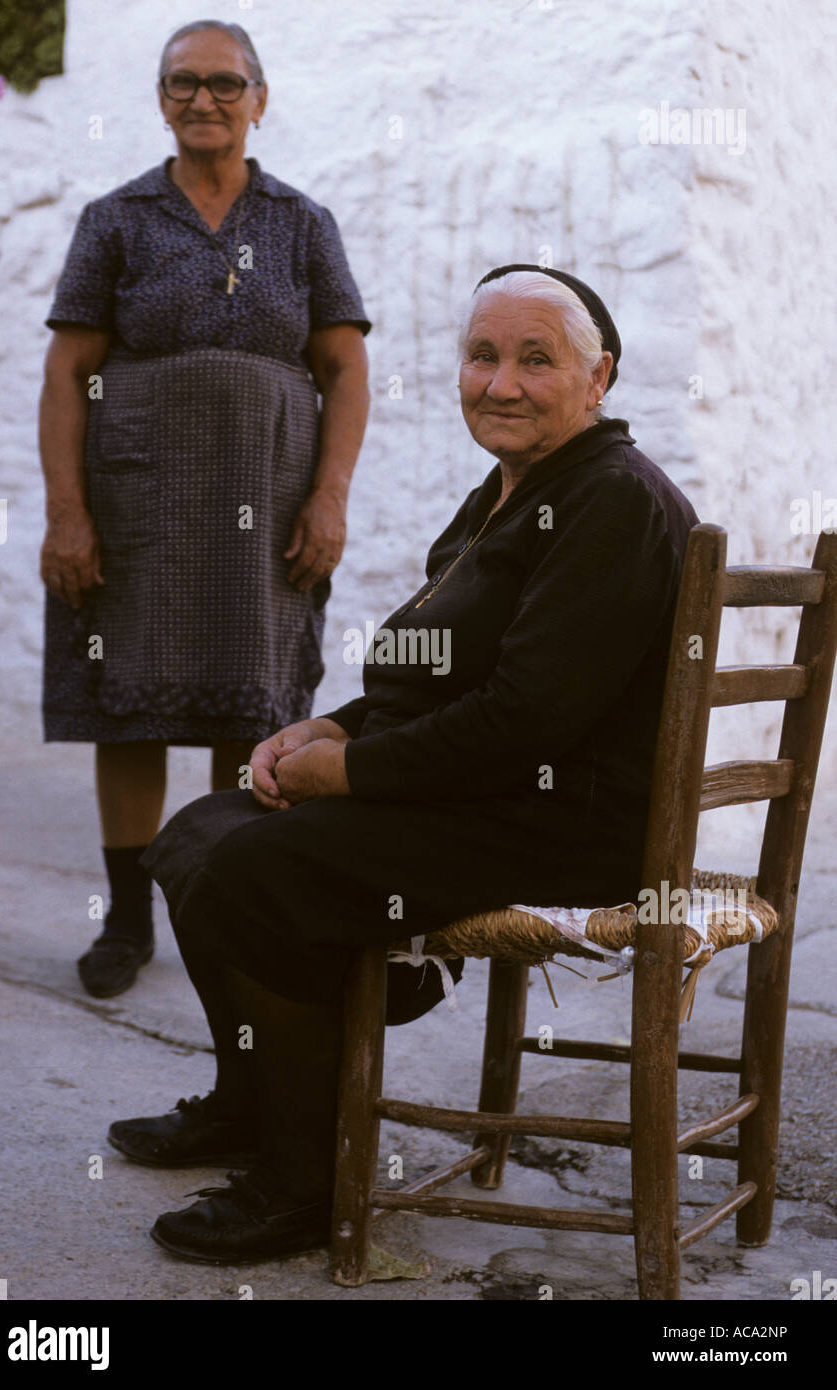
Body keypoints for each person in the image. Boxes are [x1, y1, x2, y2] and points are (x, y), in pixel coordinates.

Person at [108, 265, 700, 1265]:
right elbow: (431, 671)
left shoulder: (610, 502)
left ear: (600, 378)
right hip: (481, 792)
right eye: (482, 356)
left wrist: (347, 771)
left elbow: (524, 720)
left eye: (535, 360)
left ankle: (307, 1178)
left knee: (261, 868)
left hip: (560, 819)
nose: (500, 382)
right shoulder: (513, 491)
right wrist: (327, 729)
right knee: (201, 830)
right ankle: (251, 1097)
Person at [37, 20, 371, 999]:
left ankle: (229, 901)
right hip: (136, 499)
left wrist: (331, 498)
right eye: (183, 83)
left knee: (252, 698)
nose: (203, 101)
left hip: (265, 509)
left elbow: (346, 369)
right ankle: (130, 921)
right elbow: (68, 372)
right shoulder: (117, 218)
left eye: (225, 84)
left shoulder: (303, 223)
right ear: (160, 98)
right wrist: (67, 512)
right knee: (128, 709)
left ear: (259, 99)